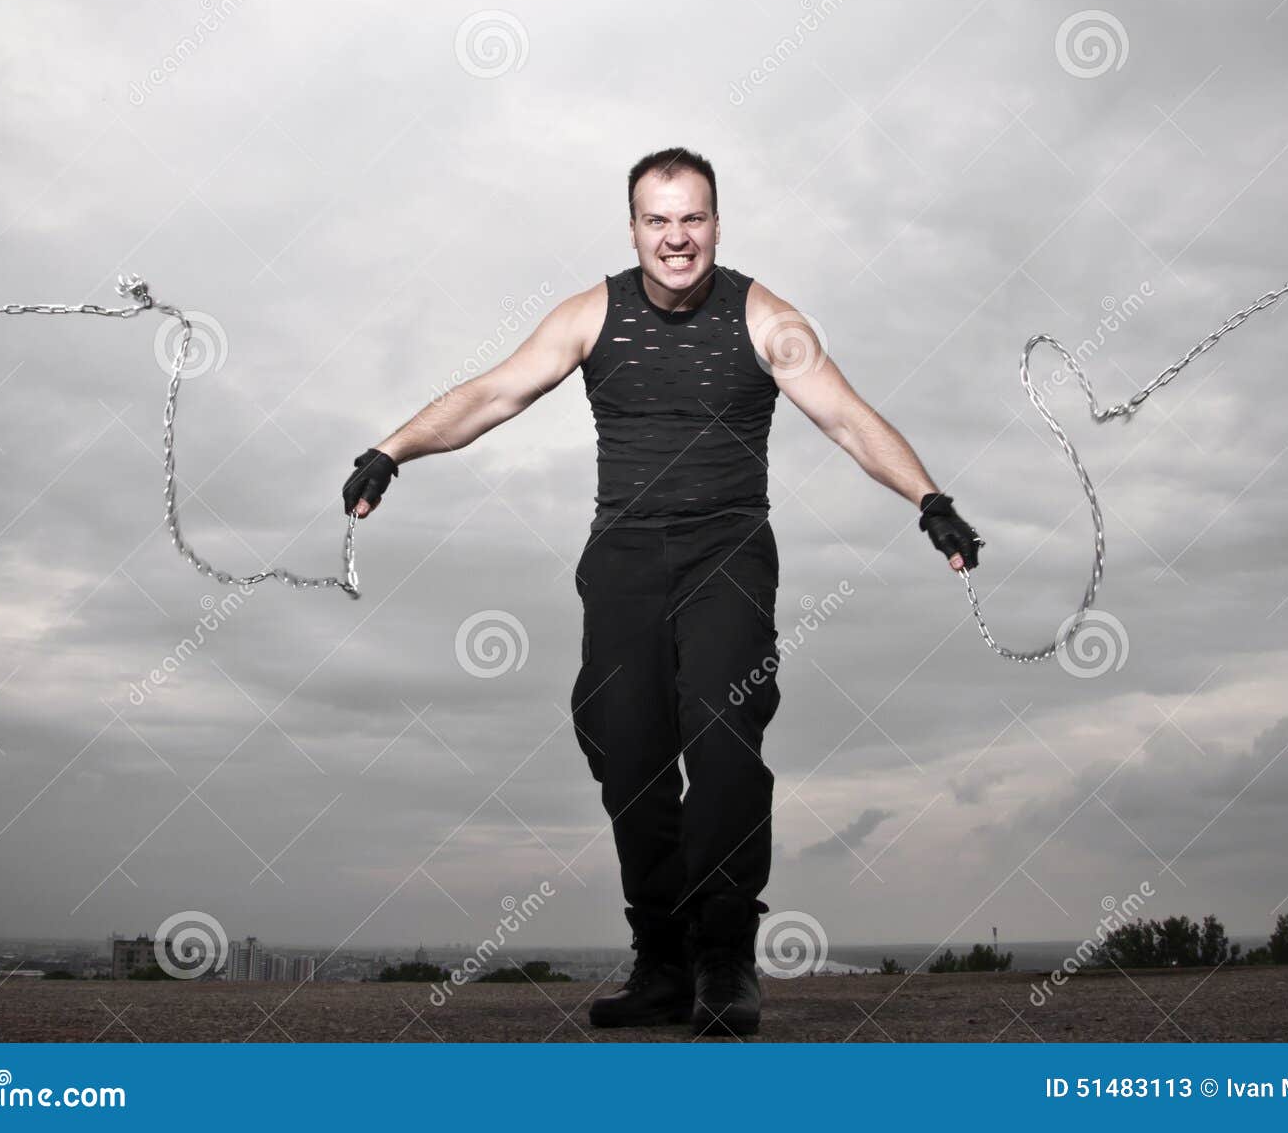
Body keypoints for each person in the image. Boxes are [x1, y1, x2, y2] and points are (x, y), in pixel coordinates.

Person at [342, 148, 982, 1036]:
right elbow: (493, 395)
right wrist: (391, 451)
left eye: (694, 219)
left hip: (728, 552)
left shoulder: (767, 318)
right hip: (625, 557)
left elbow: (845, 416)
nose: (677, 238)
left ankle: (724, 958)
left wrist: (931, 500)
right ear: (634, 227)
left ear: (716, 223)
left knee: (722, 738)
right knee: (626, 748)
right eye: (659, 219)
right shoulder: (589, 315)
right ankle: (663, 962)